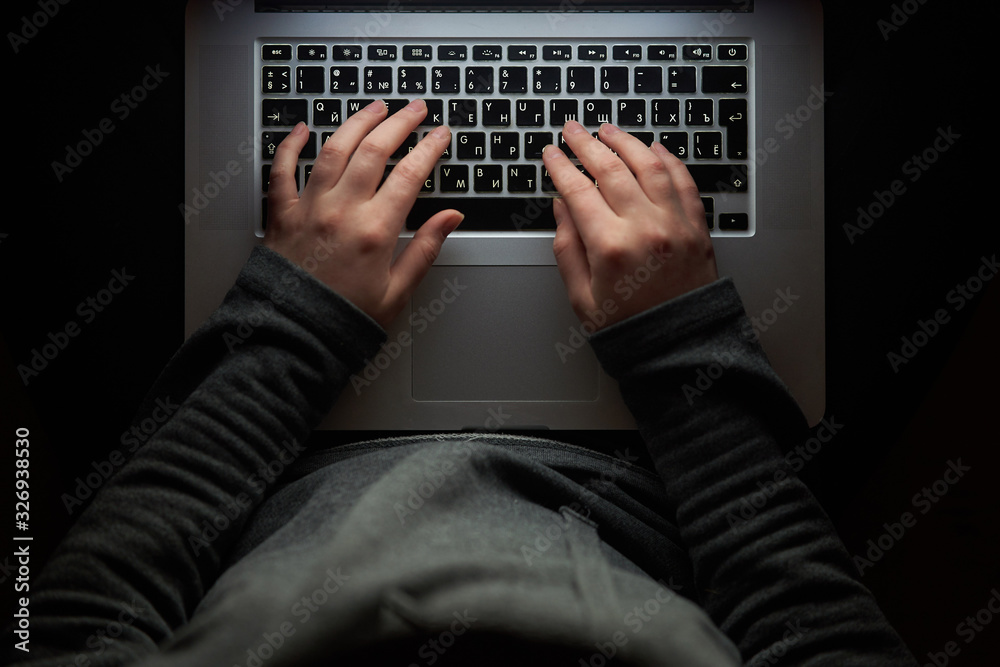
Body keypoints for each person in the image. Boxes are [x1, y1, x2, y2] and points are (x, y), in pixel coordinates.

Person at [6, 99, 918, 666]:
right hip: (662, 480)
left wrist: (294, 324)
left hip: (274, 460)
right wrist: (679, 346)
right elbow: (819, 632)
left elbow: (71, 631)